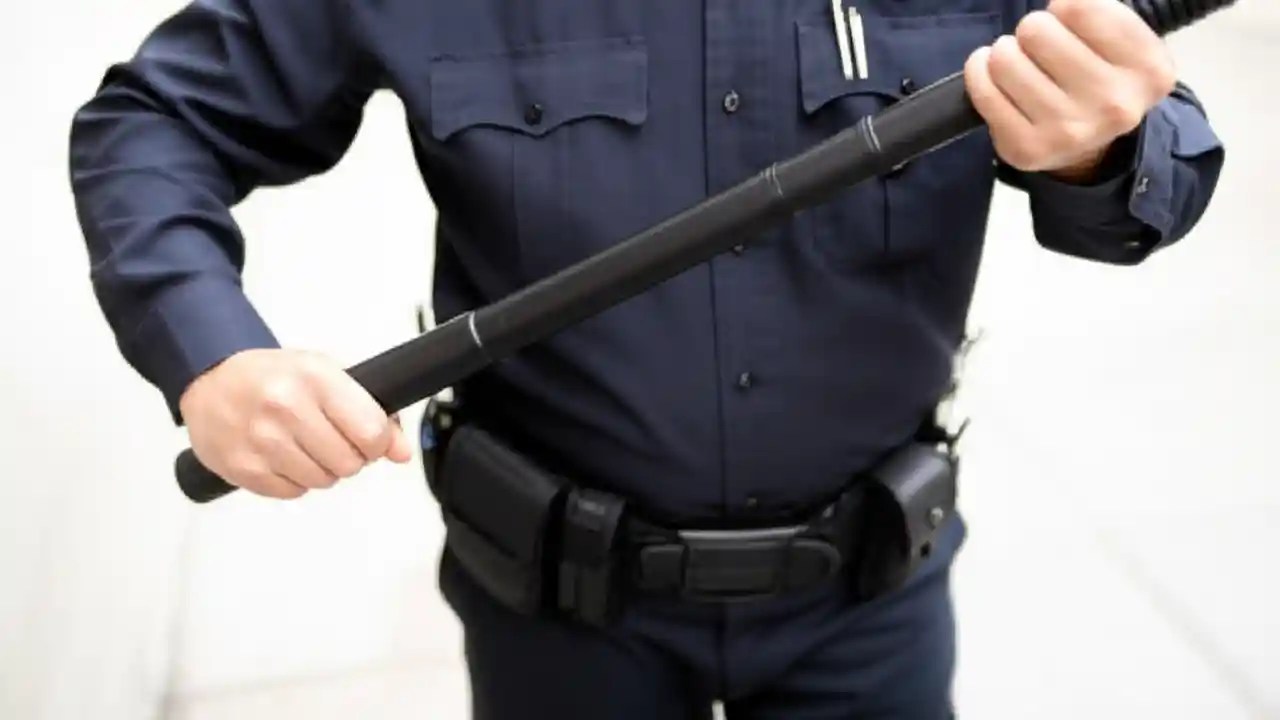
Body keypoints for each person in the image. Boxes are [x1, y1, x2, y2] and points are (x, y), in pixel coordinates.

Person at [68, 0, 1224, 717]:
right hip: (557, 616)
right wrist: (210, 355)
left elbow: (1154, 146)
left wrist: (1104, 144)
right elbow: (157, 121)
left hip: (867, 602)